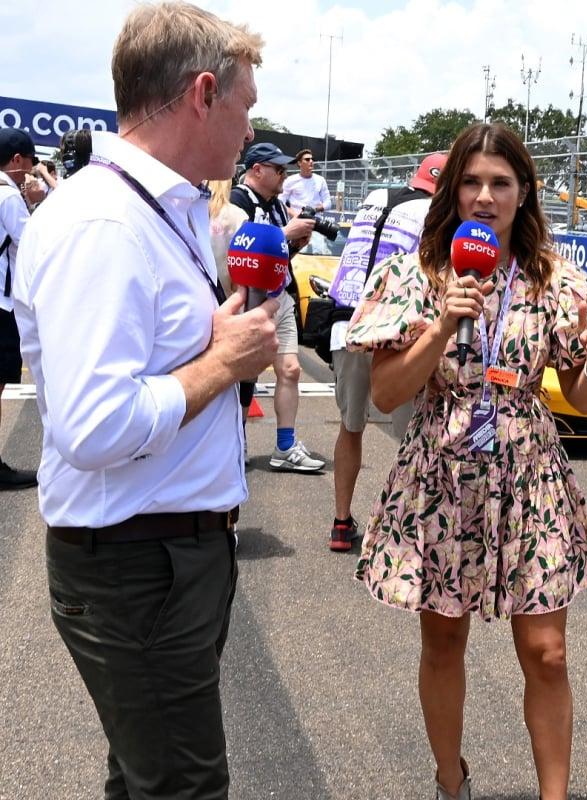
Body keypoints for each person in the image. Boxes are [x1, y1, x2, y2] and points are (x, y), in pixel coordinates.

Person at [10, 3, 279, 797]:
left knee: (144, 779)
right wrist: (221, 364)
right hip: (138, 567)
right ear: (203, 93)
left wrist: (213, 346)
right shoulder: (106, 223)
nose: (249, 130)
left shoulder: (155, 208)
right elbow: (95, 427)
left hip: (161, 559)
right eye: (245, 107)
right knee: (183, 787)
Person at [344, 122, 587, 800]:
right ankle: (451, 780)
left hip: (530, 474)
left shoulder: (554, 280)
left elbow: (584, 400)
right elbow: (386, 394)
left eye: (500, 182)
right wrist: (444, 322)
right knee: (444, 643)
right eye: (470, 181)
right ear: (451, 190)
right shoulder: (414, 275)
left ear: (524, 192)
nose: (485, 196)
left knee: (548, 653)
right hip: (441, 474)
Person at [326, 151, 447, 552]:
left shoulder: (375, 197)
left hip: (347, 322)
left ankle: (341, 523)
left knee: (351, 426)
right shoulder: (436, 213)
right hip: (397, 332)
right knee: (414, 436)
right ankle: (409, 529)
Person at [229, 141, 324, 472]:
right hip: (251, 300)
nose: (285, 175)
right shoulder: (238, 201)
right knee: (245, 377)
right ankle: (236, 443)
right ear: (257, 170)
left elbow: (280, 257)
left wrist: (295, 243)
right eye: (278, 169)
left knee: (291, 369)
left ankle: (285, 446)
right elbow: (242, 252)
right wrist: (286, 233)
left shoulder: (278, 205)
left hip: (280, 295)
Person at [0, 127, 39, 490]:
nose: (30, 170)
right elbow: (32, 245)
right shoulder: (9, 196)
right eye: (29, 162)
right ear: (16, 160)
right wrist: (37, 203)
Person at [280, 147, 331, 216]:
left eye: (312, 159)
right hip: (296, 220)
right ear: (299, 163)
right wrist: (296, 216)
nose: (311, 161)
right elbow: (281, 201)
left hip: (315, 220)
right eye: (307, 159)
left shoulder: (320, 180)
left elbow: (328, 203)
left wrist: (314, 210)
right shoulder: (290, 180)